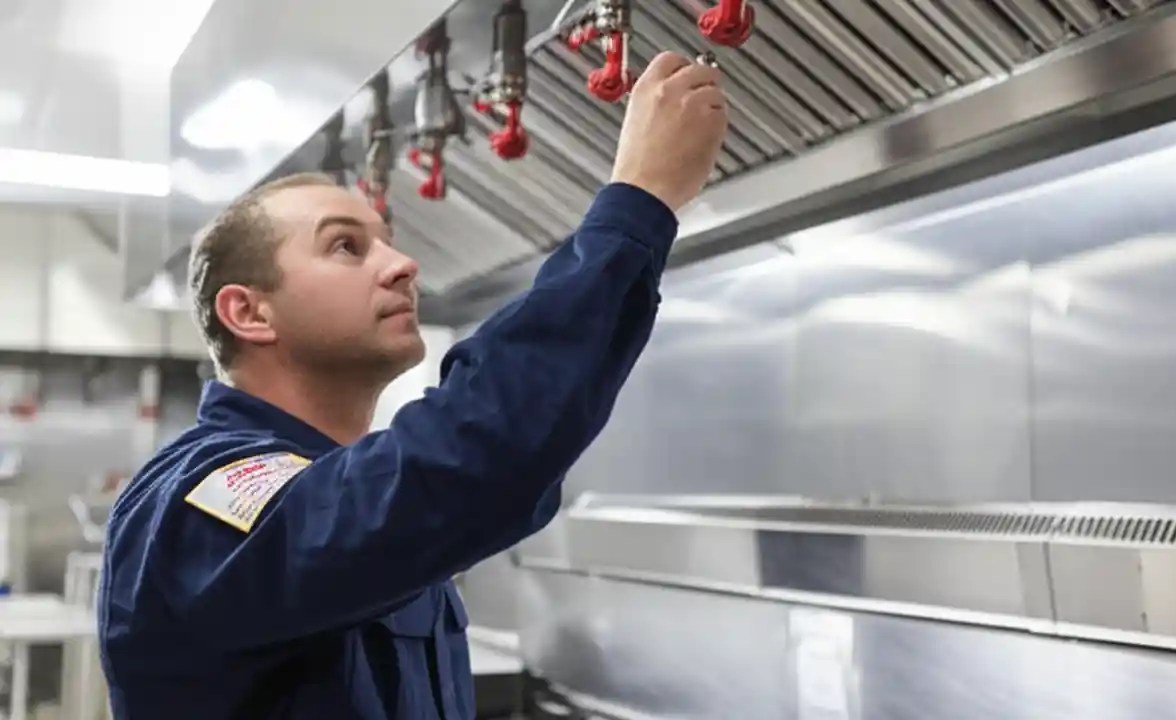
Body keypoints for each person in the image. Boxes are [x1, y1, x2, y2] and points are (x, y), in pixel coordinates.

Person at [97, 50, 727, 719]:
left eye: (388, 241)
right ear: (249, 312)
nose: (403, 265)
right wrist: (637, 205)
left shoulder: (348, 499)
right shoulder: (201, 507)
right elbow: (472, 457)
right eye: (346, 246)